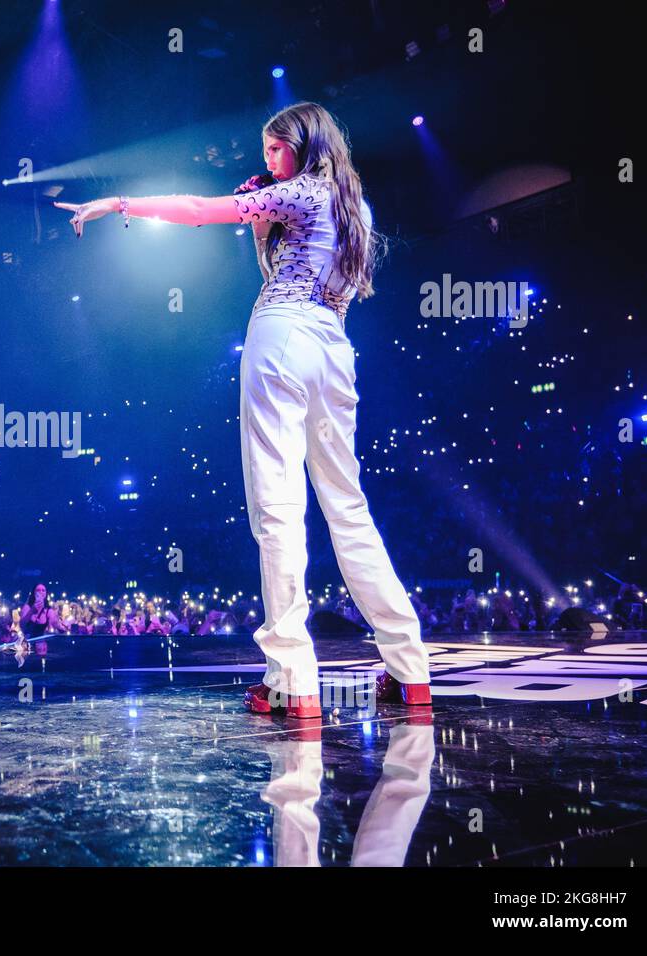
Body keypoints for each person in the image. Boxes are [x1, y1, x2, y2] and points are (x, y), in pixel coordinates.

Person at [55, 102, 432, 718]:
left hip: (281, 337)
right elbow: (301, 265)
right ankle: (411, 669)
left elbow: (202, 212)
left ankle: (292, 679)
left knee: (277, 507)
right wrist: (265, 224)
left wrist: (119, 204)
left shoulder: (298, 194)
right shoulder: (352, 206)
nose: (269, 163)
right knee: (349, 508)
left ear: (306, 145)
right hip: (334, 348)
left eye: (277, 151)